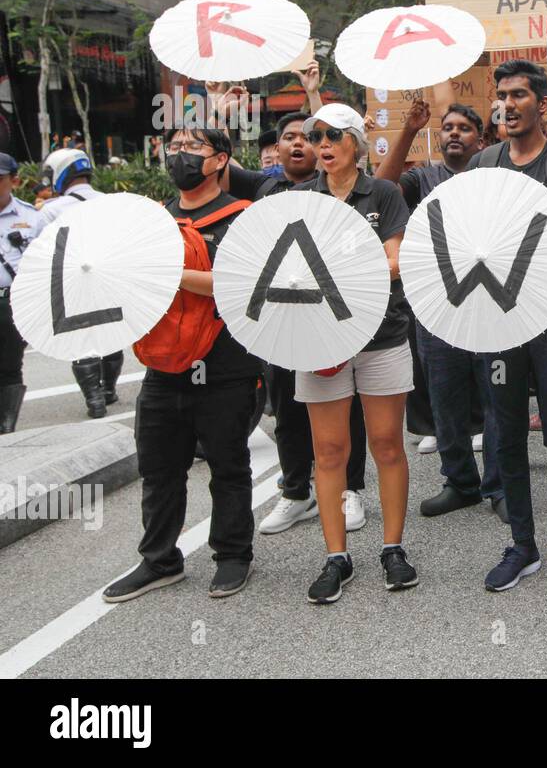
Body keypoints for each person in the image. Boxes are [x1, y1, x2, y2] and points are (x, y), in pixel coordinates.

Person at [102, 126, 261, 601]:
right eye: (174, 147)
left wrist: (165, 271)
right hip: (164, 364)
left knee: (227, 464)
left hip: (225, 363)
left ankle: (233, 555)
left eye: (193, 148)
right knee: (159, 467)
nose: (180, 156)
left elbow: (237, 284)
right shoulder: (155, 221)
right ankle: (159, 559)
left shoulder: (242, 218)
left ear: (220, 161)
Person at [467, 59, 547, 595]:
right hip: (499, 321)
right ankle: (523, 545)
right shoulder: (483, 163)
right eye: (501, 95)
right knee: (506, 434)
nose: (508, 103)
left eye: (519, 94)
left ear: (542, 105)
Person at [222, 106, 370, 536]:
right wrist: (220, 109)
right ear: (277, 149)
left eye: (316, 136)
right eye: (291, 136)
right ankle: (295, 492)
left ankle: (349, 489)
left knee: (346, 409)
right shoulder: (265, 189)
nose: (302, 142)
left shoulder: (338, 192)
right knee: (287, 408)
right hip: (281, 320)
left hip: (332, 318)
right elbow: (219, 160)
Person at [291, 104, 418, 603]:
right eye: (314, 134)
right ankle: (335, 556)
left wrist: (335, 274)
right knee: (329, 452)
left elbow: (395, 262)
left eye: (332, 135)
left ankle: (393, 548)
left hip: (381, 333)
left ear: (356, 145)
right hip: (317, 340)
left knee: (387, 443)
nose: (321, 143)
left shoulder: (383, 193)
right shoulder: (298, 198)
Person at [374, 91, 510, 525]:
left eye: (464, 128)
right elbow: (380, 187)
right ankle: (460, 483)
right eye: (447, 128)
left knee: (496, 398)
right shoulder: (421, 179)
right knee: (445, 397)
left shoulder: (494, 174)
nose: (454, 134)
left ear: (479, 139)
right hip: (436, 306)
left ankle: (500, 485)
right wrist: (410, 129)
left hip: (490, 305)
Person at [38, 148, 125, 420]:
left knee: (81, 339)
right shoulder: (111, 202)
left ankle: (95, 399)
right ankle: (109, 389)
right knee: (111, 335)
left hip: (72, 282)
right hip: (109, 278)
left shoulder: (51, 210)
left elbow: (40, 251)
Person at [0, 151, 44, 434]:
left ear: (14, 181)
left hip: (10, 302)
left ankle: (5, 428)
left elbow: (44, 261)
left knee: (10, 366)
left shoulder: (31, 217)